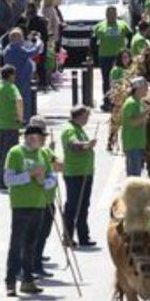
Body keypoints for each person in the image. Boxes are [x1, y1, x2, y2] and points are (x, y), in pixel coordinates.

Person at [3, 123, 55, 297]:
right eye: (38, 137)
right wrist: (29, 175)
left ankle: (27, 280)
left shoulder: (42, 154)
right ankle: (10, 281)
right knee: (16, 244)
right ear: (29, 137)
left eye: (41, 138)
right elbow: (8, 179)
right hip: (21, 204)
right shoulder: (16, 153)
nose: (40, 141)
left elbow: (51, 177)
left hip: (39, 203)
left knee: (31, 245)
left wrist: (44, 182)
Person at [60, 105, 96, 248]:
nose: (87, 119)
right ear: (80, 116)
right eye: (86, 116)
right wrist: (87, 145)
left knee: (83, 206)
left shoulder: (78, 129)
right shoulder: (69, 129)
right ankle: (68, 237)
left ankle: (83, 237)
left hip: (85, 172)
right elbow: (73, 146)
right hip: (75, 173)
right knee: (73, 206)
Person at [93, 6, 131, 111]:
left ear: (116, 14)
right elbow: (93, 40)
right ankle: (107, 102)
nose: (111, 15)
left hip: (118, 56)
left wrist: (128, 50)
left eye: (113, 13)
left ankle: (119, 101)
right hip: (104, 56)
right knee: (106, 80)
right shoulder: (99, 26)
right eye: (109, 13)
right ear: (106, 14)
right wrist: (93, 54)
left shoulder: (122, 25)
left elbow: (130, 35)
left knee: (120, 79)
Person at [121, 78, 150, 177]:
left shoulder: (138, 102)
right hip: (132, 144)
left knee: (137, 174)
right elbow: (133, 122)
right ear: (138, 88)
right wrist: (147, 112)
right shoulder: (131, 103)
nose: (147, 90)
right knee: (134, 176)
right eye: (145, 87)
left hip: (138, 143)